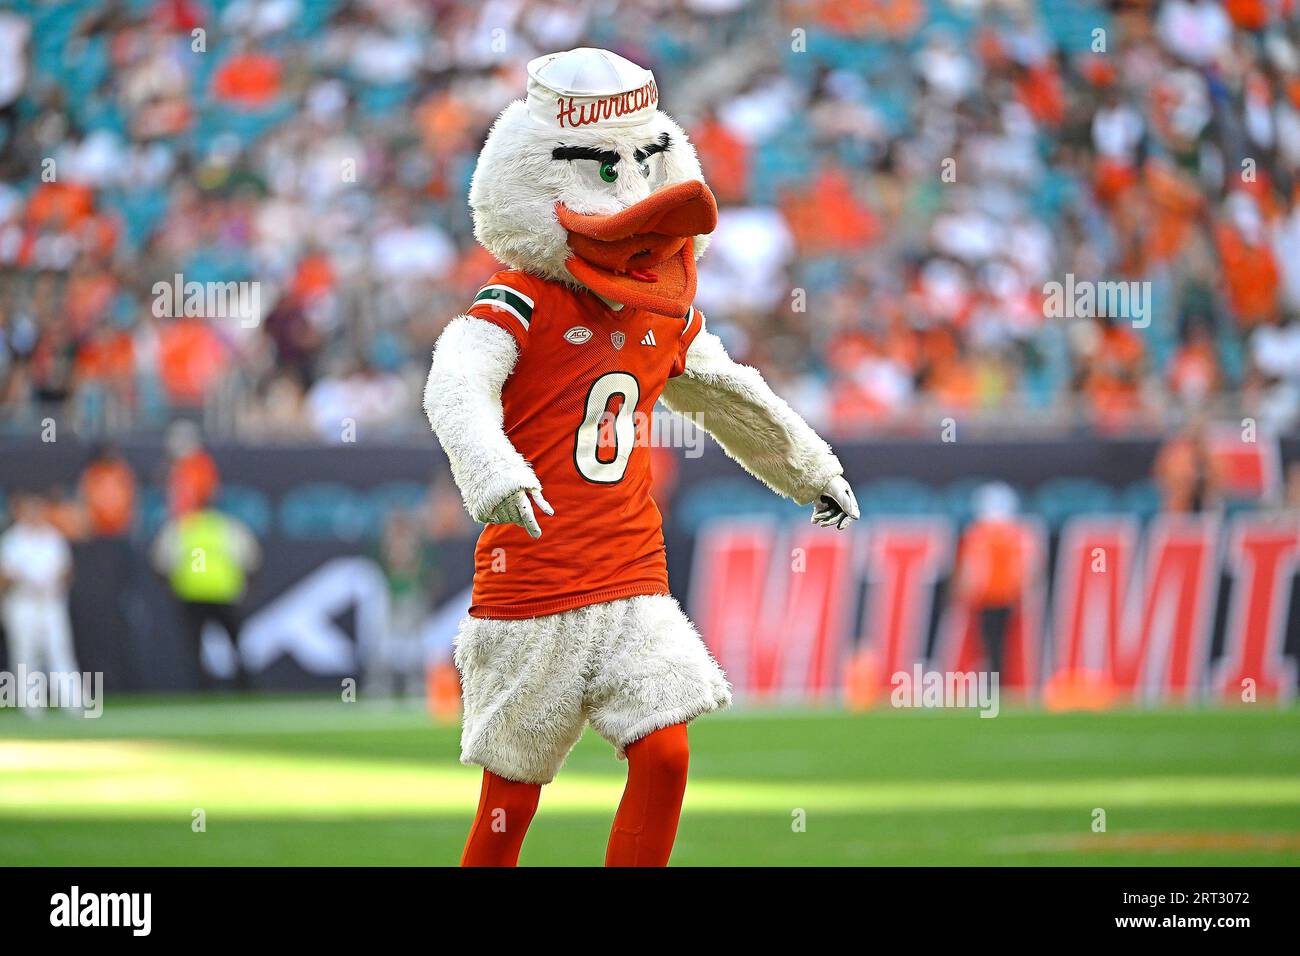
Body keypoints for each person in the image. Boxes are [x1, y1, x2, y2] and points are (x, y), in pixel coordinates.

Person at [424, 49, 859, 867]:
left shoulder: (659, 312)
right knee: (509, 804)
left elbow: (730, 391)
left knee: (665, 753)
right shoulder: (523, 297)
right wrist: (494, 472)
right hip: (536, 579)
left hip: (631, 571)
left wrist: (811, 468)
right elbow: (455, 385)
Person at [151, 499, 261, 690]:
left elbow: (160, 562)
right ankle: (244, 686)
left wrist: (171, 588)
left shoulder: (181, 528)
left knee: (195, 647)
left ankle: (202, 687)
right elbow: (251, 560)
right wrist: (245, 589)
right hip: (224, 594)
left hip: (191, 594)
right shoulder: (227, 526)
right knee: (235, 643)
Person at [0, 491, 79, 712]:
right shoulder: (13, 540)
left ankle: (72, 703)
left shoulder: (53, 537)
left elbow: (66, 570)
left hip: (50, 603)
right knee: (25, 654)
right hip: (23, 603)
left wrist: (52, 582)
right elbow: (4, 575)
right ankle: (31, 706)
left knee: (59, 651)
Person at [954, 482, 1026, 678]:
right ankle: (997, 679)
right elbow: (1026, 569)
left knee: (989, 642)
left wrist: (962, 592)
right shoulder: (1014, 535)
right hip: (1006, 596)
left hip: (986, 597)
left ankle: (994, 679)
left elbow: (970, 570)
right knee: (1001, 643)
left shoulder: (978, 534)